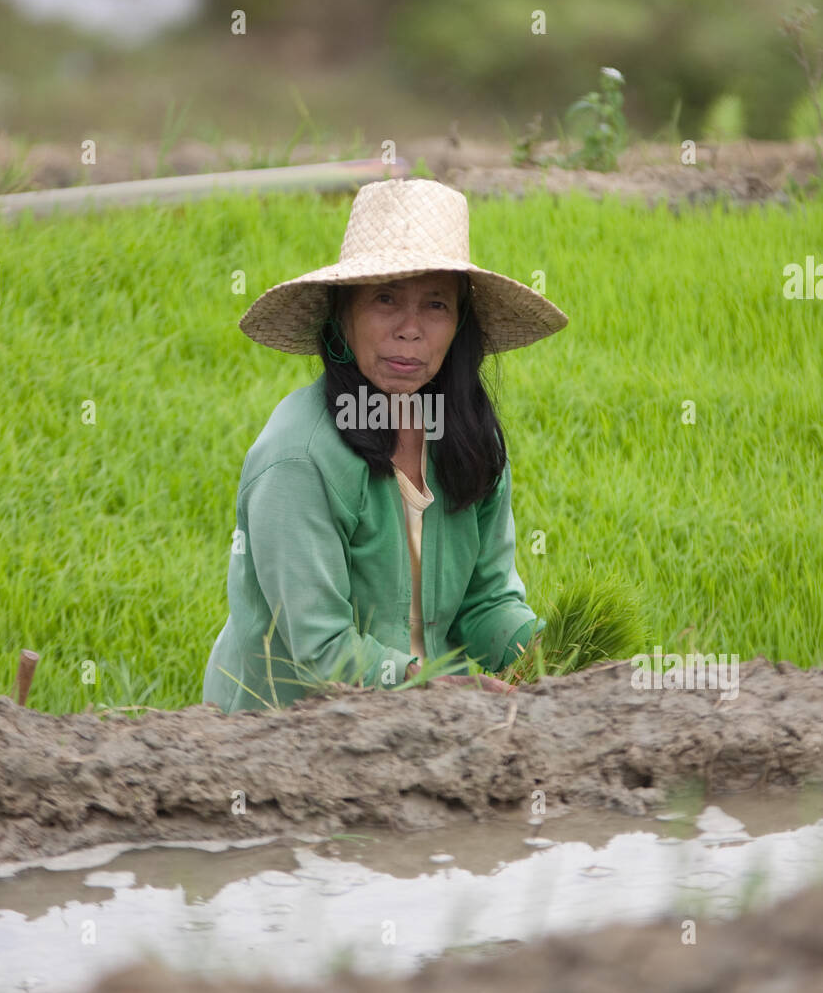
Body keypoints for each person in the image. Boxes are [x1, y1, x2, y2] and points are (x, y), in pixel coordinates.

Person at [202, 177, 568, 712]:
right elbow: (321, 652)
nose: (410, 330)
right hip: (284, 734)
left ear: (459, 323)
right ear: (342, 315)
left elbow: (486, 602)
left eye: (436, 305)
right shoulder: (299, 459)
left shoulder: (467, 439)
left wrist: (549, 653)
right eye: (385, 298)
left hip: (415, 722)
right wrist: (432, 685)